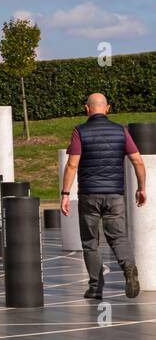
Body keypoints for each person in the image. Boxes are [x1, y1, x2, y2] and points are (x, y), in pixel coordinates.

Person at [60, 93, 145, 299]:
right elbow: (138, 161)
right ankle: (128, 268)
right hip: (115, 194)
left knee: (90, 242)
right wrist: (141, 188)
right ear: (107, 108)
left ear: (87, 108)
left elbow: (72, 164)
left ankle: (96, 288)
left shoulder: (80, 131)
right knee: (117, 237)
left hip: (89, 195)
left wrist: (65, 194)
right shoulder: (121, 131)